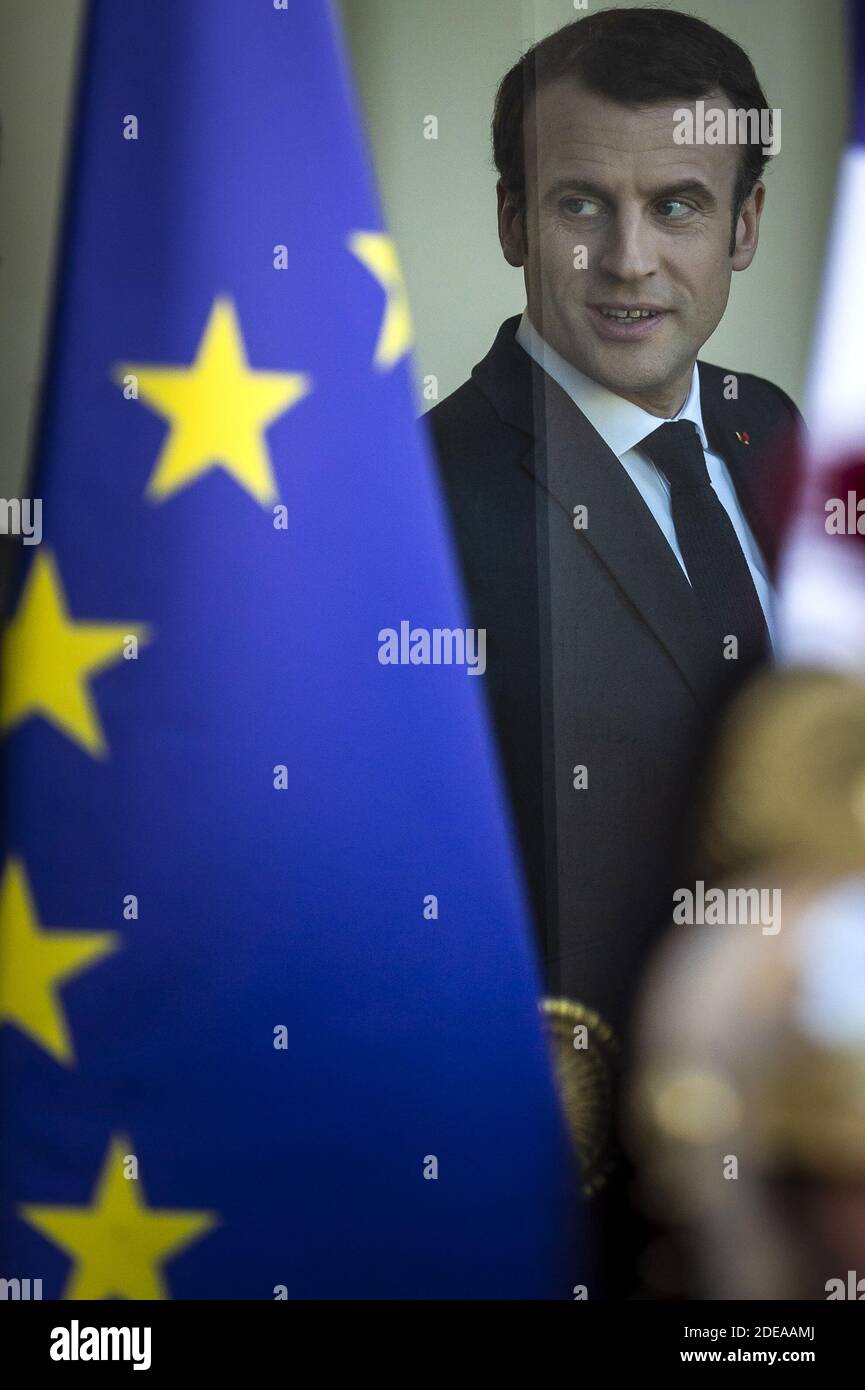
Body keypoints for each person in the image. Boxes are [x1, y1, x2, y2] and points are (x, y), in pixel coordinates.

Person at [425, 7, 802, 1292]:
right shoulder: (408, 498)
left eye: (680, 206)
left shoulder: (778, 433)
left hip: (797, 1169)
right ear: (512, 221)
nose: (629, 260)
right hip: (564, 1209)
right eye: (582, 202)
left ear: (744, 226)